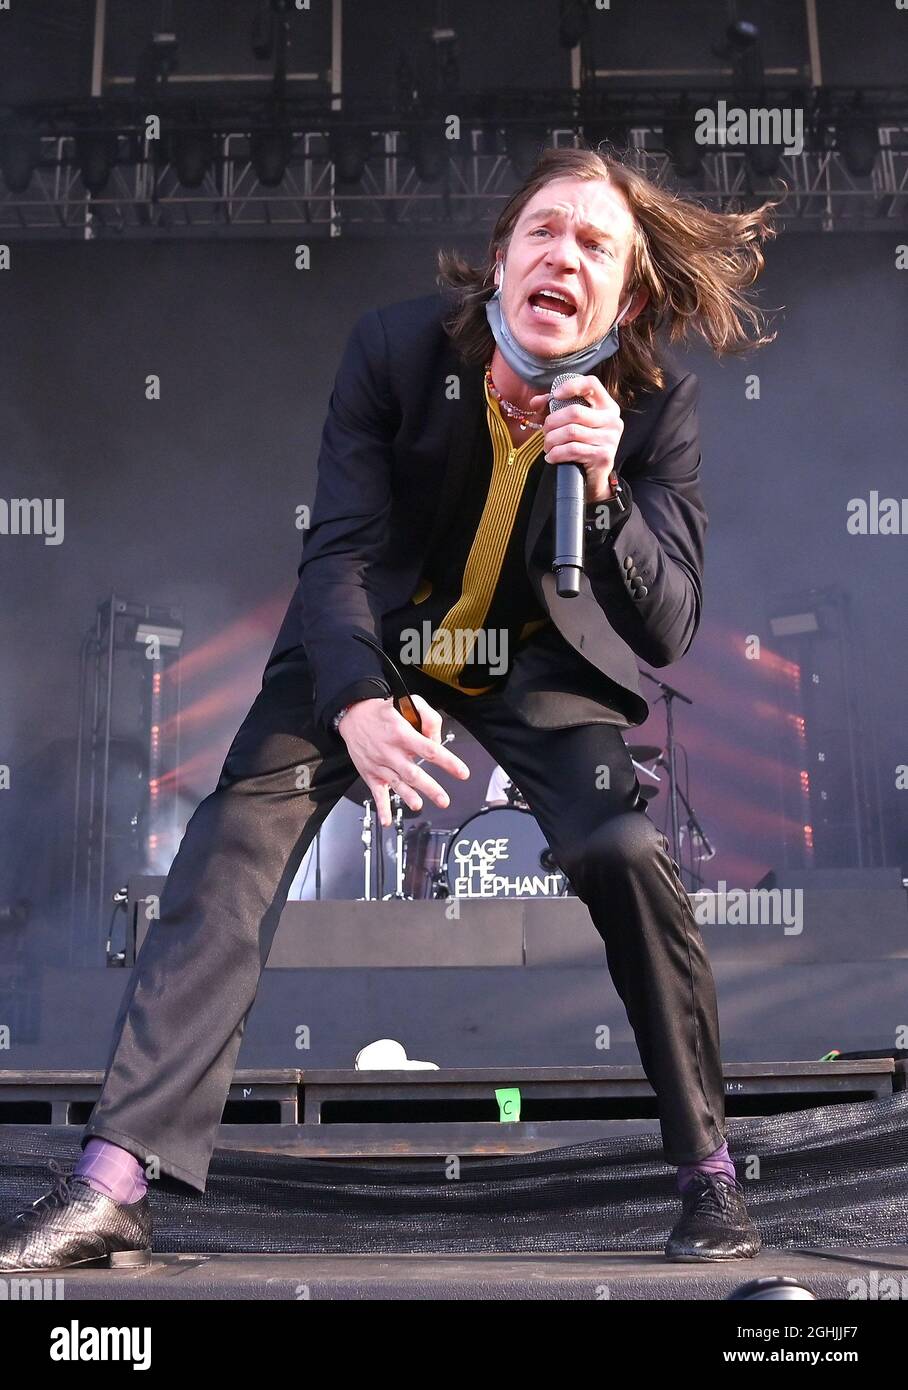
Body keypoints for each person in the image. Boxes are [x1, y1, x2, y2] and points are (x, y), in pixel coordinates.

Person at [0, 145, 777, 1270]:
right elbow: (342, 551)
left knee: (623, 853)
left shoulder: (655, 411)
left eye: (593, 244)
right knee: (232, 842)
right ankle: (114, 1182)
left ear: (632, 293)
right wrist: (360, 699)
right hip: (377, 631)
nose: (561, 254)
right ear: (502, 258)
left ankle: (707, 1175)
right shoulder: (396, 350)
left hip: (526, 658)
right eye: (541, 232)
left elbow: (667, 628)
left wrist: (605, 496)